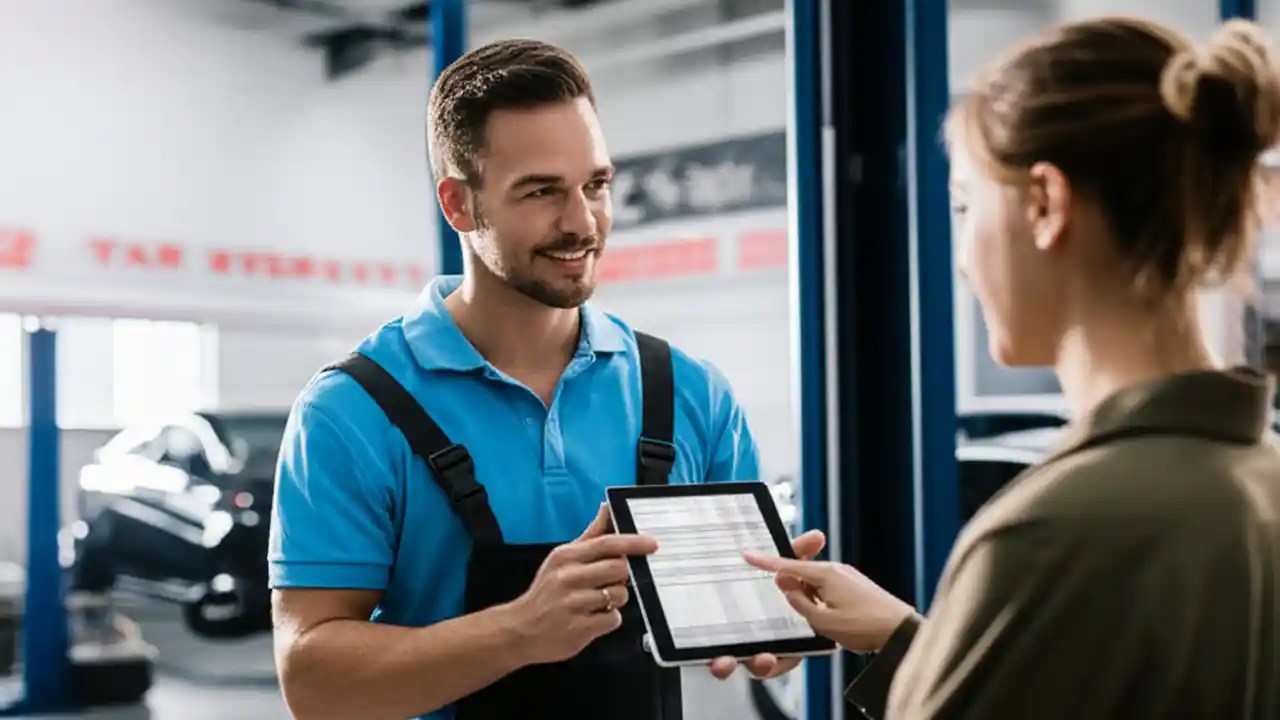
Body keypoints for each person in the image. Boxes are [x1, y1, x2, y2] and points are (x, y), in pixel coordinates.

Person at [716, 16, 1280, 720]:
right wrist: (913, 643)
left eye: (964, 205)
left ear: (1045, 203)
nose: (961, 259)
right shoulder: (1258, 479)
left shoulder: (1053, 532)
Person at [267, 38, 822, 720]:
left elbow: (748, 622)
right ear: (458, 205)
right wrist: (519, 631)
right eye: (541, 191)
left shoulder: (689, 395)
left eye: (596, 185)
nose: (582, 223)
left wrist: (774, 621)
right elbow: (312, 683)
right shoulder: (351, 412)